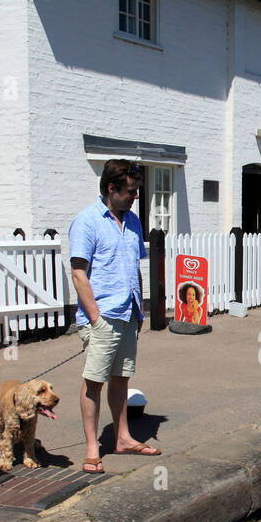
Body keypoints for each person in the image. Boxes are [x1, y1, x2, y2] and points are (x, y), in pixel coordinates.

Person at [70, 159, 163, 474]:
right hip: (103, 315)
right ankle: (92, 446)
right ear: (111, 189)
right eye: (131, 192)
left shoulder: (133, 221)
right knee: (93, 380)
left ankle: (122, 437)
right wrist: (95, 317)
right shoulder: (87, 222)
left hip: (128, 312)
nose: (135, 197)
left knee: (121, 377)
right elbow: (79, 274)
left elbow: (134, 266)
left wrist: (139, 309)